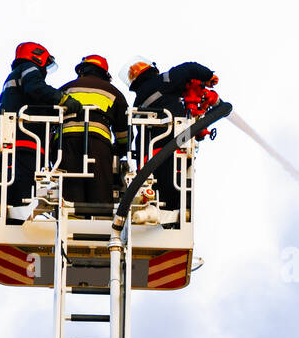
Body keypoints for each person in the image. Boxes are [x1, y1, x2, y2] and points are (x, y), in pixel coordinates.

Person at [0, 41, 85, 223]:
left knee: (15, 188)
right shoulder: (29, 68)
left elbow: (33, 102)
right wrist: (64, 100)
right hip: (26, 141)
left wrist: (53, 110)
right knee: (24, 191)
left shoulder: (13, 78)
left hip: (15, 141)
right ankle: (20, 218)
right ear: (37, 56)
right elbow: (36, 89)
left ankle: (16, 219)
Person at [126, 60, 218, 217]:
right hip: (170, 150)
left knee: (159, 198)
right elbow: (189, 68)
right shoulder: (162, 81)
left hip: (148, 160)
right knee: (176, 201)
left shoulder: (138, 101)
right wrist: (209, 76)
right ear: (151, 71)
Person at [58, 55, 130, 208]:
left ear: (81, 72)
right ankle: (100, 222)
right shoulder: (113, 92)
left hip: (65, 144)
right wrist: (119, 150)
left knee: (70, 190)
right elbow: (124, 133)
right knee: (100, 190)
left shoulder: (67, 88)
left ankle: (71, 222)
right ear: (105, 74)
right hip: (98, 146)